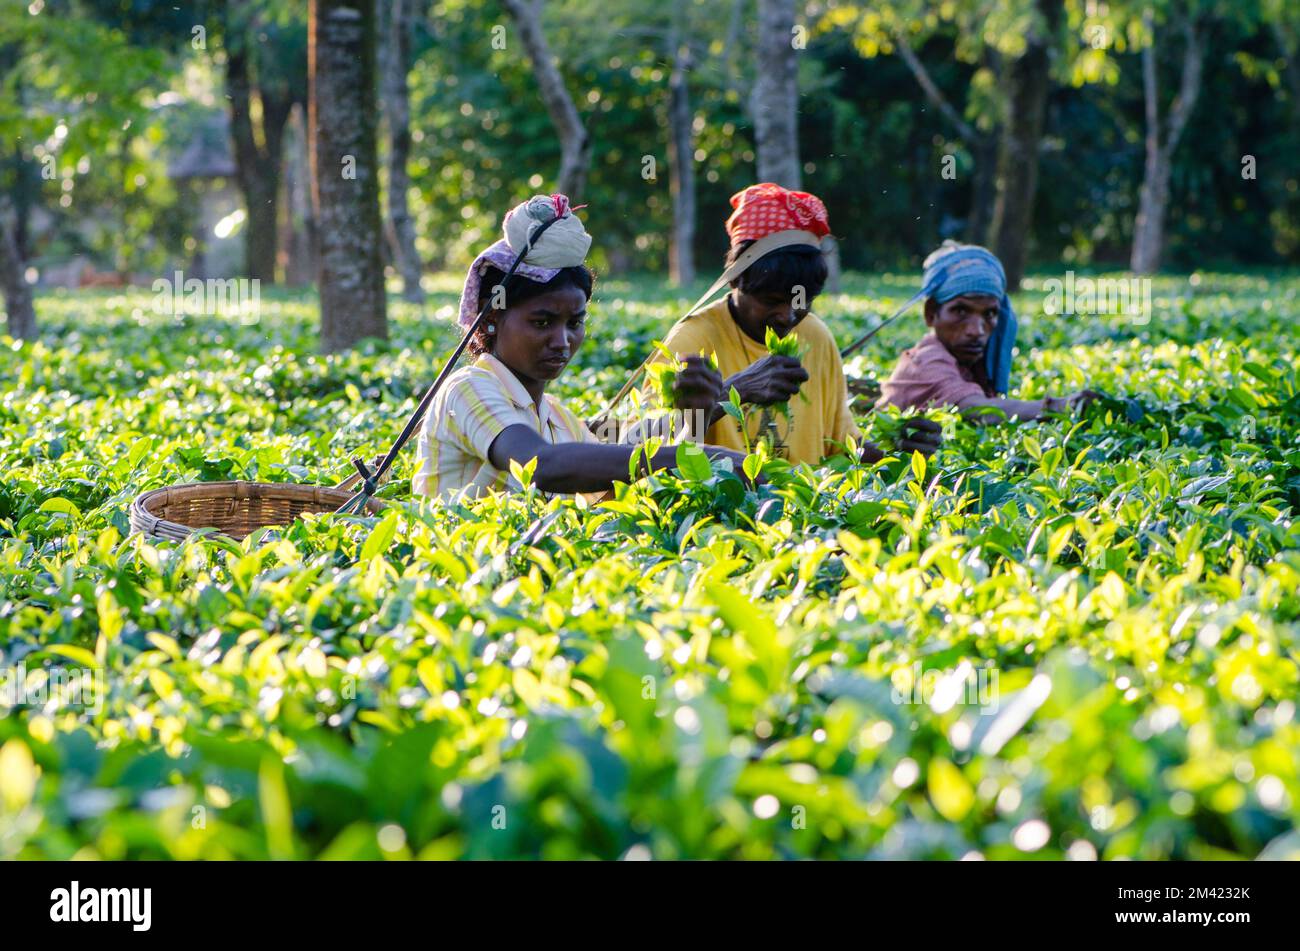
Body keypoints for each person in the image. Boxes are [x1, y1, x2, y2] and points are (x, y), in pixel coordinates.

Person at [412, 194, 748, 499]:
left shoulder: (557, 418)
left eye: (574, 323)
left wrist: (697, 414)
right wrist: (687, 457)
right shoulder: (467, 389)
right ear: (491, 317)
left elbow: (618, 481)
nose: (561, 342)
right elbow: (540, 466)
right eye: (542, 322)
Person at [643, 182, 941, 464]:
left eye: (801, 302)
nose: (787, 317)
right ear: (735, 279)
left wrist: (901, 451)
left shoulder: (815, 336)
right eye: (771, 301)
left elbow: (841, 446)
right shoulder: (693, 339)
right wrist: (736, 391)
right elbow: (639, 450)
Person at [877, 241, 1101, 422]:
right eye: (960, 311)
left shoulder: (975, 364)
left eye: (990, 314)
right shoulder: (926, 360)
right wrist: (1060, 406)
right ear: (931, 313)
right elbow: (975, 408)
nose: (976, 330)